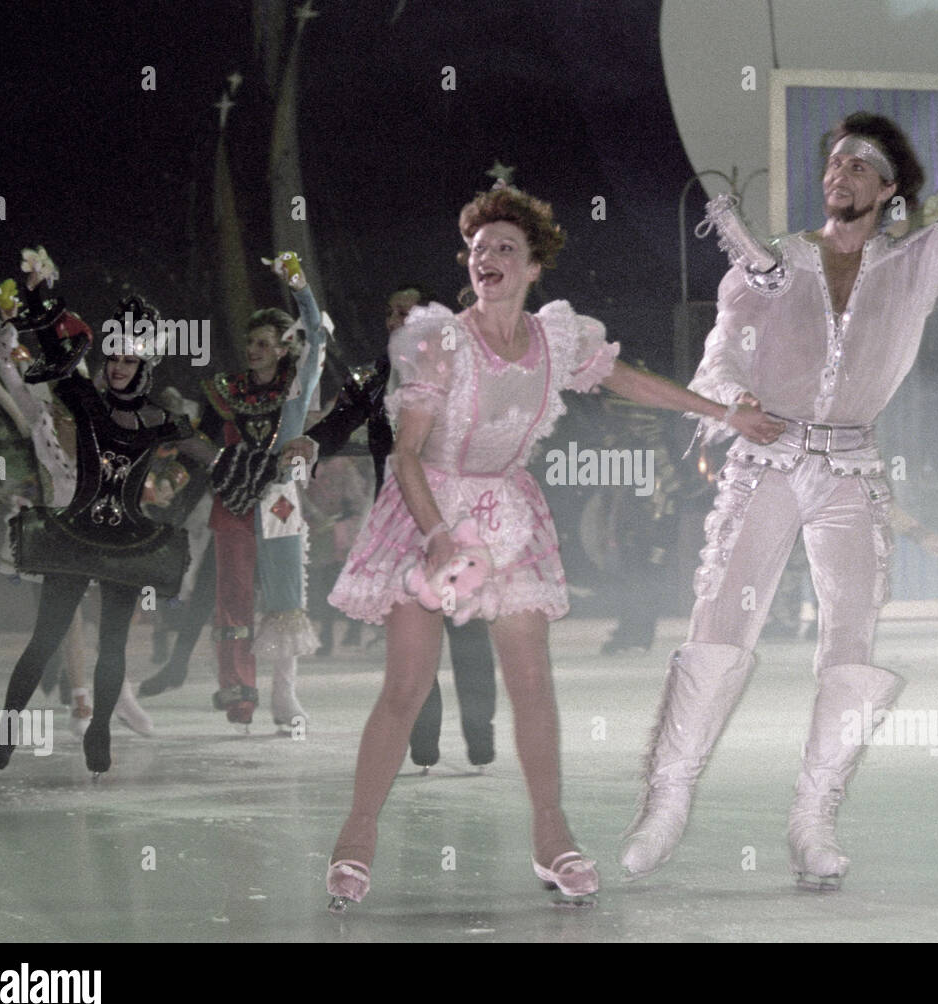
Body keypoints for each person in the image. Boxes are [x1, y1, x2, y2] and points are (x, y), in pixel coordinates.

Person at [619, 79, 938, 888]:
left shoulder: (918, 263)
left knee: (851, 638)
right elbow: (723, 353)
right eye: (833, 160)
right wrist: (735, 401)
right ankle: (666, 802)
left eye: (859, 163)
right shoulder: (768, 267)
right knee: (718, 624)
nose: (839, 172)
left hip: (850, 470)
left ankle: (814, 820)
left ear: (889, 188)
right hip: (766, 460)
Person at [319, 183, 783, 910]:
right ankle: (355, 839)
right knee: (406, 686)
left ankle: (551, 834)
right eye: (479, 249)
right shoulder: (438, 343)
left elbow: (629, 381)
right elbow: (407, 455)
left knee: (532, 681)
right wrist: (438, 537)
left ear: (535, 268)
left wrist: (722, 411)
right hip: (426, 510)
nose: (489, 258)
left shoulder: (555, 340)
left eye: (506, 248)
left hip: (506, 512)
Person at [0, 249, 196, 776]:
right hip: (73, 534)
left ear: (144, 364)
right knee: (46, 637)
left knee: (114, 644)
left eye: (129, 360)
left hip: (127, 540)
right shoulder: (84, 400)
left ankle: (99, 729)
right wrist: (37, 292)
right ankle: (8, 725)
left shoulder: (159, 417)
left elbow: (200, 459)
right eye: (114, 358)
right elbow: (55, 344)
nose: (119, 367)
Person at [287, 282, 499, 773]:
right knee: (414, 638)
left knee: (467, 631)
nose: (394, 320)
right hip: (401, 522)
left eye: (406, 312)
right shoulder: (375, 378)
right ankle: (423, 745)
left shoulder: (462, 373)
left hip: (459, 518)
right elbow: (340, 421)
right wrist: (311, 443)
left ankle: (479, 735)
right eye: (389, 312)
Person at [198, 252, 327, 731]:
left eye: (262, 343)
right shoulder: (229, 389)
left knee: (283, 596)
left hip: (279, 500)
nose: (253, 350)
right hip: (233, 500)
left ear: (280, 348)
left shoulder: (296, 385)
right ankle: (238, 692)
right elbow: (205, 437)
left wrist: (299, 286)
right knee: (232, 599)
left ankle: (283, 691)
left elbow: (317, 336)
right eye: (250, 342)